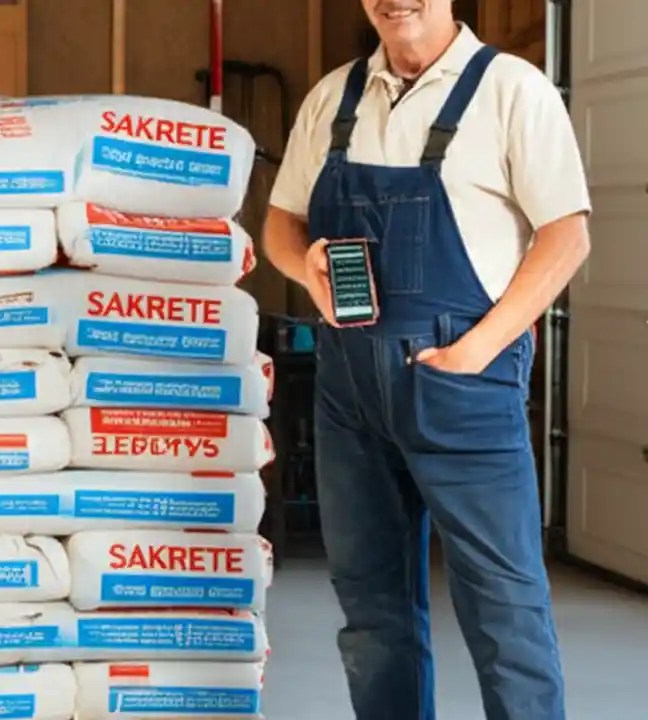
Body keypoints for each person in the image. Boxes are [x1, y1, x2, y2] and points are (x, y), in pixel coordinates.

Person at [262, 1, 591, 719]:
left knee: (505, 612)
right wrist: (306, 264)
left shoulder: (510, 88)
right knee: (372, 616)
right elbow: (281, 223)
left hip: (464, 382)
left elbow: (566, 234)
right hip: (349, 392)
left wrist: (480, 347)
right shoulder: (333, 97)